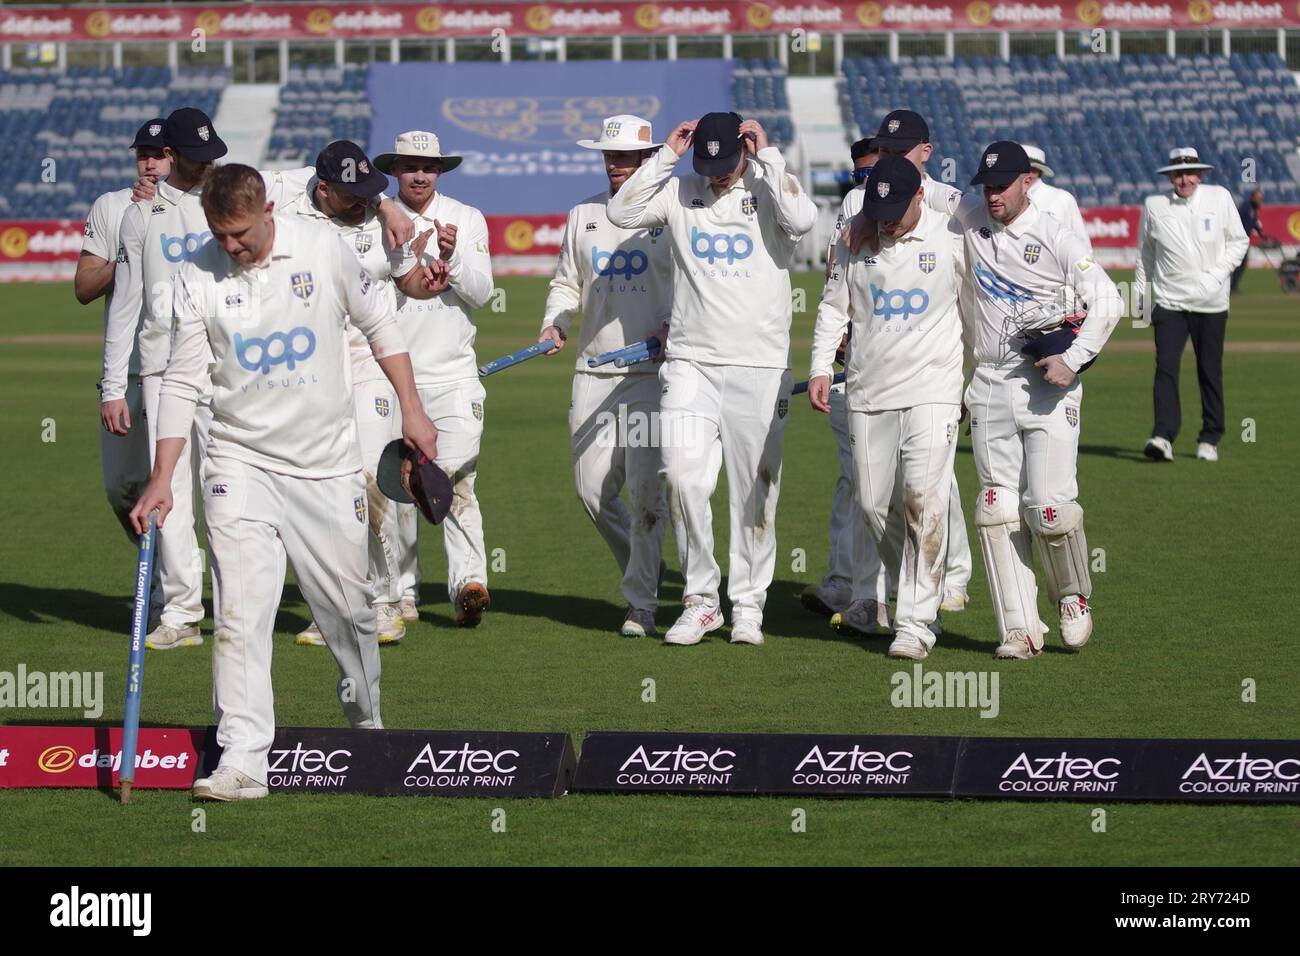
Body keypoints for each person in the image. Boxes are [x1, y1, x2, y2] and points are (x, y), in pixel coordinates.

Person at [128, 163, 439, 802]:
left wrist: (412, 409)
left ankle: (367, 719)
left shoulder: (322, 248)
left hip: (324, 467)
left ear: (269, 211)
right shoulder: (198, 274)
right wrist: (162, 478)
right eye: (220, 234)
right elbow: (182, 379)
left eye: (240, 233)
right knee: (240, 615)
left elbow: (381, 326)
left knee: (349, 616)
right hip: (238, 465)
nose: (231, 246)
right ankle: (242, 759)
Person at [607, 111, 816, 647]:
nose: (718, 174)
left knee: (754, 493)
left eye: (727, 163)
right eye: (708, 163)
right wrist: (668, 155)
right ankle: (702, 600)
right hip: (690, 362)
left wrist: (768, 155)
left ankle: (748, 605)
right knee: (681, 475)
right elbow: (619, 210)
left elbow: (804, 219)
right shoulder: (678, 192)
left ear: (745, 150)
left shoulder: (767, 188)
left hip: (760, 365)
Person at [923, 141, 1124, 659]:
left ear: (1026, 182)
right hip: (989, 383)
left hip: (1047, 387)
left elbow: (1108, 299)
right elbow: (920, 185)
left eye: (1001, 187)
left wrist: (1073, 358)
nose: (991, 196)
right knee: (995, 508)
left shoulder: (1055, 234)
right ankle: (1019, 627)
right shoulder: (972, 218)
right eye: (985, 187)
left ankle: (1072, 597)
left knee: (1050, 509)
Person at [275, 140, 450, 647]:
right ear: (322, 187)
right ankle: (330, 606)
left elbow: (405, 279)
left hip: (370, 362)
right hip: (308, 372)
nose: (362, 202)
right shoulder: (287, 208)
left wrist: (426, 282)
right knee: (316, 492)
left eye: (368, 194)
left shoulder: (379, 219)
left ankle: (386, 600)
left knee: (372, 480)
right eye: (350, 195)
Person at [809, 156, 966, 660]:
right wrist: (818, 366)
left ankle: (915, 622)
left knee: (923, 497)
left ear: (920, 195)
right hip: (868, 389)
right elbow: (834, 306)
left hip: (933, 388)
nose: (887, 220)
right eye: (878, 210)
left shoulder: (953, 233)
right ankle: (924, 591)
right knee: (876, 507)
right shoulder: (857, 237)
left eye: (896, 209)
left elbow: (985, 211)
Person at [538, 114, 671, 637]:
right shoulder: (584, 214)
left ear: (647, 160)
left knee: (645, 492)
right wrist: (555, 322)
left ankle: (641, 601)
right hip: (594, 370)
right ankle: (648, 565)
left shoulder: (670, 212)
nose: (616, 164)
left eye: (627, 157)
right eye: (609, 156)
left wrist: (671, 328)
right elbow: (566, 281)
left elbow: (692, 287)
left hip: (650, 373)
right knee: (591, 491)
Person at [375, 130, 496, 628]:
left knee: (451, 478)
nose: (419, 175)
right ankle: (402, 593)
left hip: (452, 374)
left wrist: (455, 256)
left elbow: (484, 293)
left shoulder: (466, 218)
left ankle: (469, 583)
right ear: (395, 170)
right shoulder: (373, 216)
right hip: (389, 376)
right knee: (395, 489)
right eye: (409, 166)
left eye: (428, 167)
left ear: (440, 171)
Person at [862, 109, 974, 616]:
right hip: (877, 374)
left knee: (931, 488)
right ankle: (910, 579)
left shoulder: (954, 207)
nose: (887, 160)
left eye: (899, 151)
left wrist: (972, 374)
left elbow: (971, 291)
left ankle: (949, 578)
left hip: (936, 369)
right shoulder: (863, 203)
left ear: (925, 152)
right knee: (879, 496)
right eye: (882, 151)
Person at [77, 118, 169, 579]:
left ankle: (175, 594)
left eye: (161, 153)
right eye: (143, 153)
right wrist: (132, 252)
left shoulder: (195, 207)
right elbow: (84, 287)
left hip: (184, 367)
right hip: (129, 370)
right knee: (121, 489)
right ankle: (156, 573)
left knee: (202, 487)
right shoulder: (111, 207)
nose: (150, 162)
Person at [1136, 148, 1249, 464]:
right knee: (1165, 368)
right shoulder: (1154, 205)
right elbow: (1145, 254)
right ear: (1170, 176)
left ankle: (1210, 438)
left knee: (1209, 370)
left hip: (1211, 303)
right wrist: (1141, 299)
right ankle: (1162, 436)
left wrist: (1214, 277)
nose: (1184, 180)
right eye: (1177, 174)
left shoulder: (1219, 197)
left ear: (1200, 174)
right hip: (1169, 302)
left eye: (1190, 173)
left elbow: (1239, 242)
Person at [1022, 145, 1092, 249]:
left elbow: (1081, 242)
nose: (1027, 175)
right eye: (1022, 169)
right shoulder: (1003, 198)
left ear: (1040, 172)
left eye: (1033, 170)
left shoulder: (1062, 198)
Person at [1231, 188, 1265, 294]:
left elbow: (1254, 222)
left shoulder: (1254, 208)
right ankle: (1232, 287)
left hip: (1244, 240)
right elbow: (1237, 221)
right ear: (1252, 197)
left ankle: (1233, 286)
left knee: (1242, 263)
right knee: (1239, 263)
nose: (1260, 201)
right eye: (1258, 198)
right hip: (1239, 240)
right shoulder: (1246, 207)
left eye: (1261, 199)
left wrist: (1261, 234)